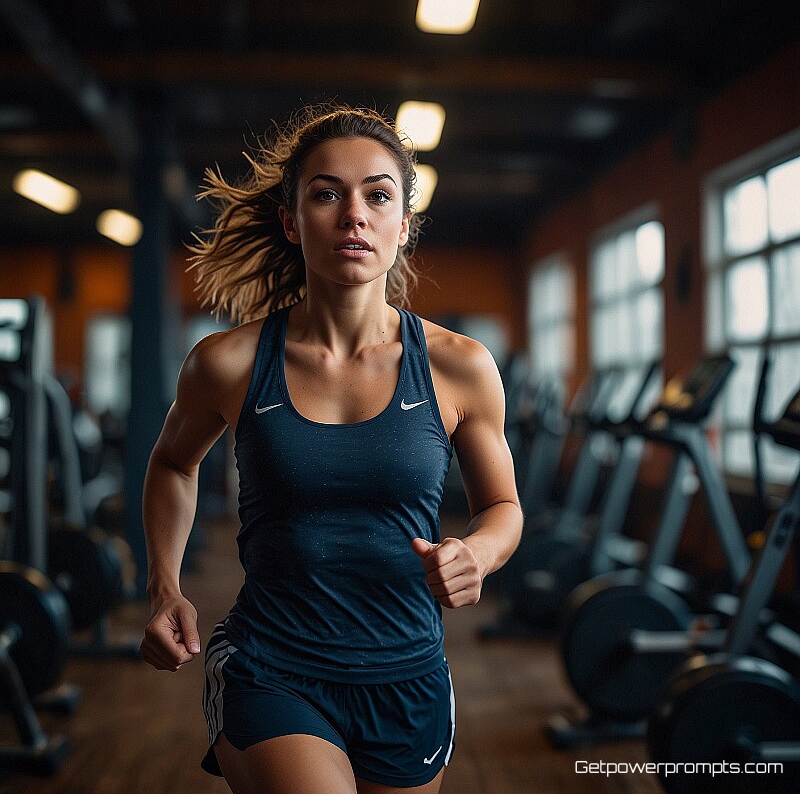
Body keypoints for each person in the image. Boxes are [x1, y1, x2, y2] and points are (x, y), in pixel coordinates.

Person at [139, 104, 523, 794]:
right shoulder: (227, 363)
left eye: (378, 195)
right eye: (326, 194)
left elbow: (503, 506)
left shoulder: (459, 366)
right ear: (292, 221)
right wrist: (164, 584)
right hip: (272, 663)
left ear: (403, 225)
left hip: (407, 675)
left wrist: (480, 553)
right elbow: (173, 463)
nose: (354, 214)